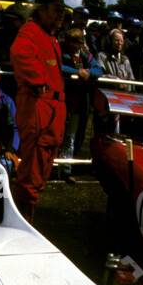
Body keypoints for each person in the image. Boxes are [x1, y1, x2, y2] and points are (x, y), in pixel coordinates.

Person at [9, 0, 67, 219]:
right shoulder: (31, 32)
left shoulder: (49, 35)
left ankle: (27, 216)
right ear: (41, 9)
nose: (60, 15)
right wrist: (37, 81)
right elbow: (19, 53)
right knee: (33, 167)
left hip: (52, 109)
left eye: (62, 11)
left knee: (44, 164)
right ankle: (23, 221)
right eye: (56, 10)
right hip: (38, 107)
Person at [60, 28, 101, 182]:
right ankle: (63, 168)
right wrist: (77, 71)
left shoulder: (85, 54)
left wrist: (88, 72)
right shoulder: (61, 51)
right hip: (64, 98)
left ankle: (67, 167)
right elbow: (58, 66)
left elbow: (99, 70)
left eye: (79, 42)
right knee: (65, 136)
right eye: (75, 42)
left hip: (81, 101)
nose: (78, 45)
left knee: (75, 136)